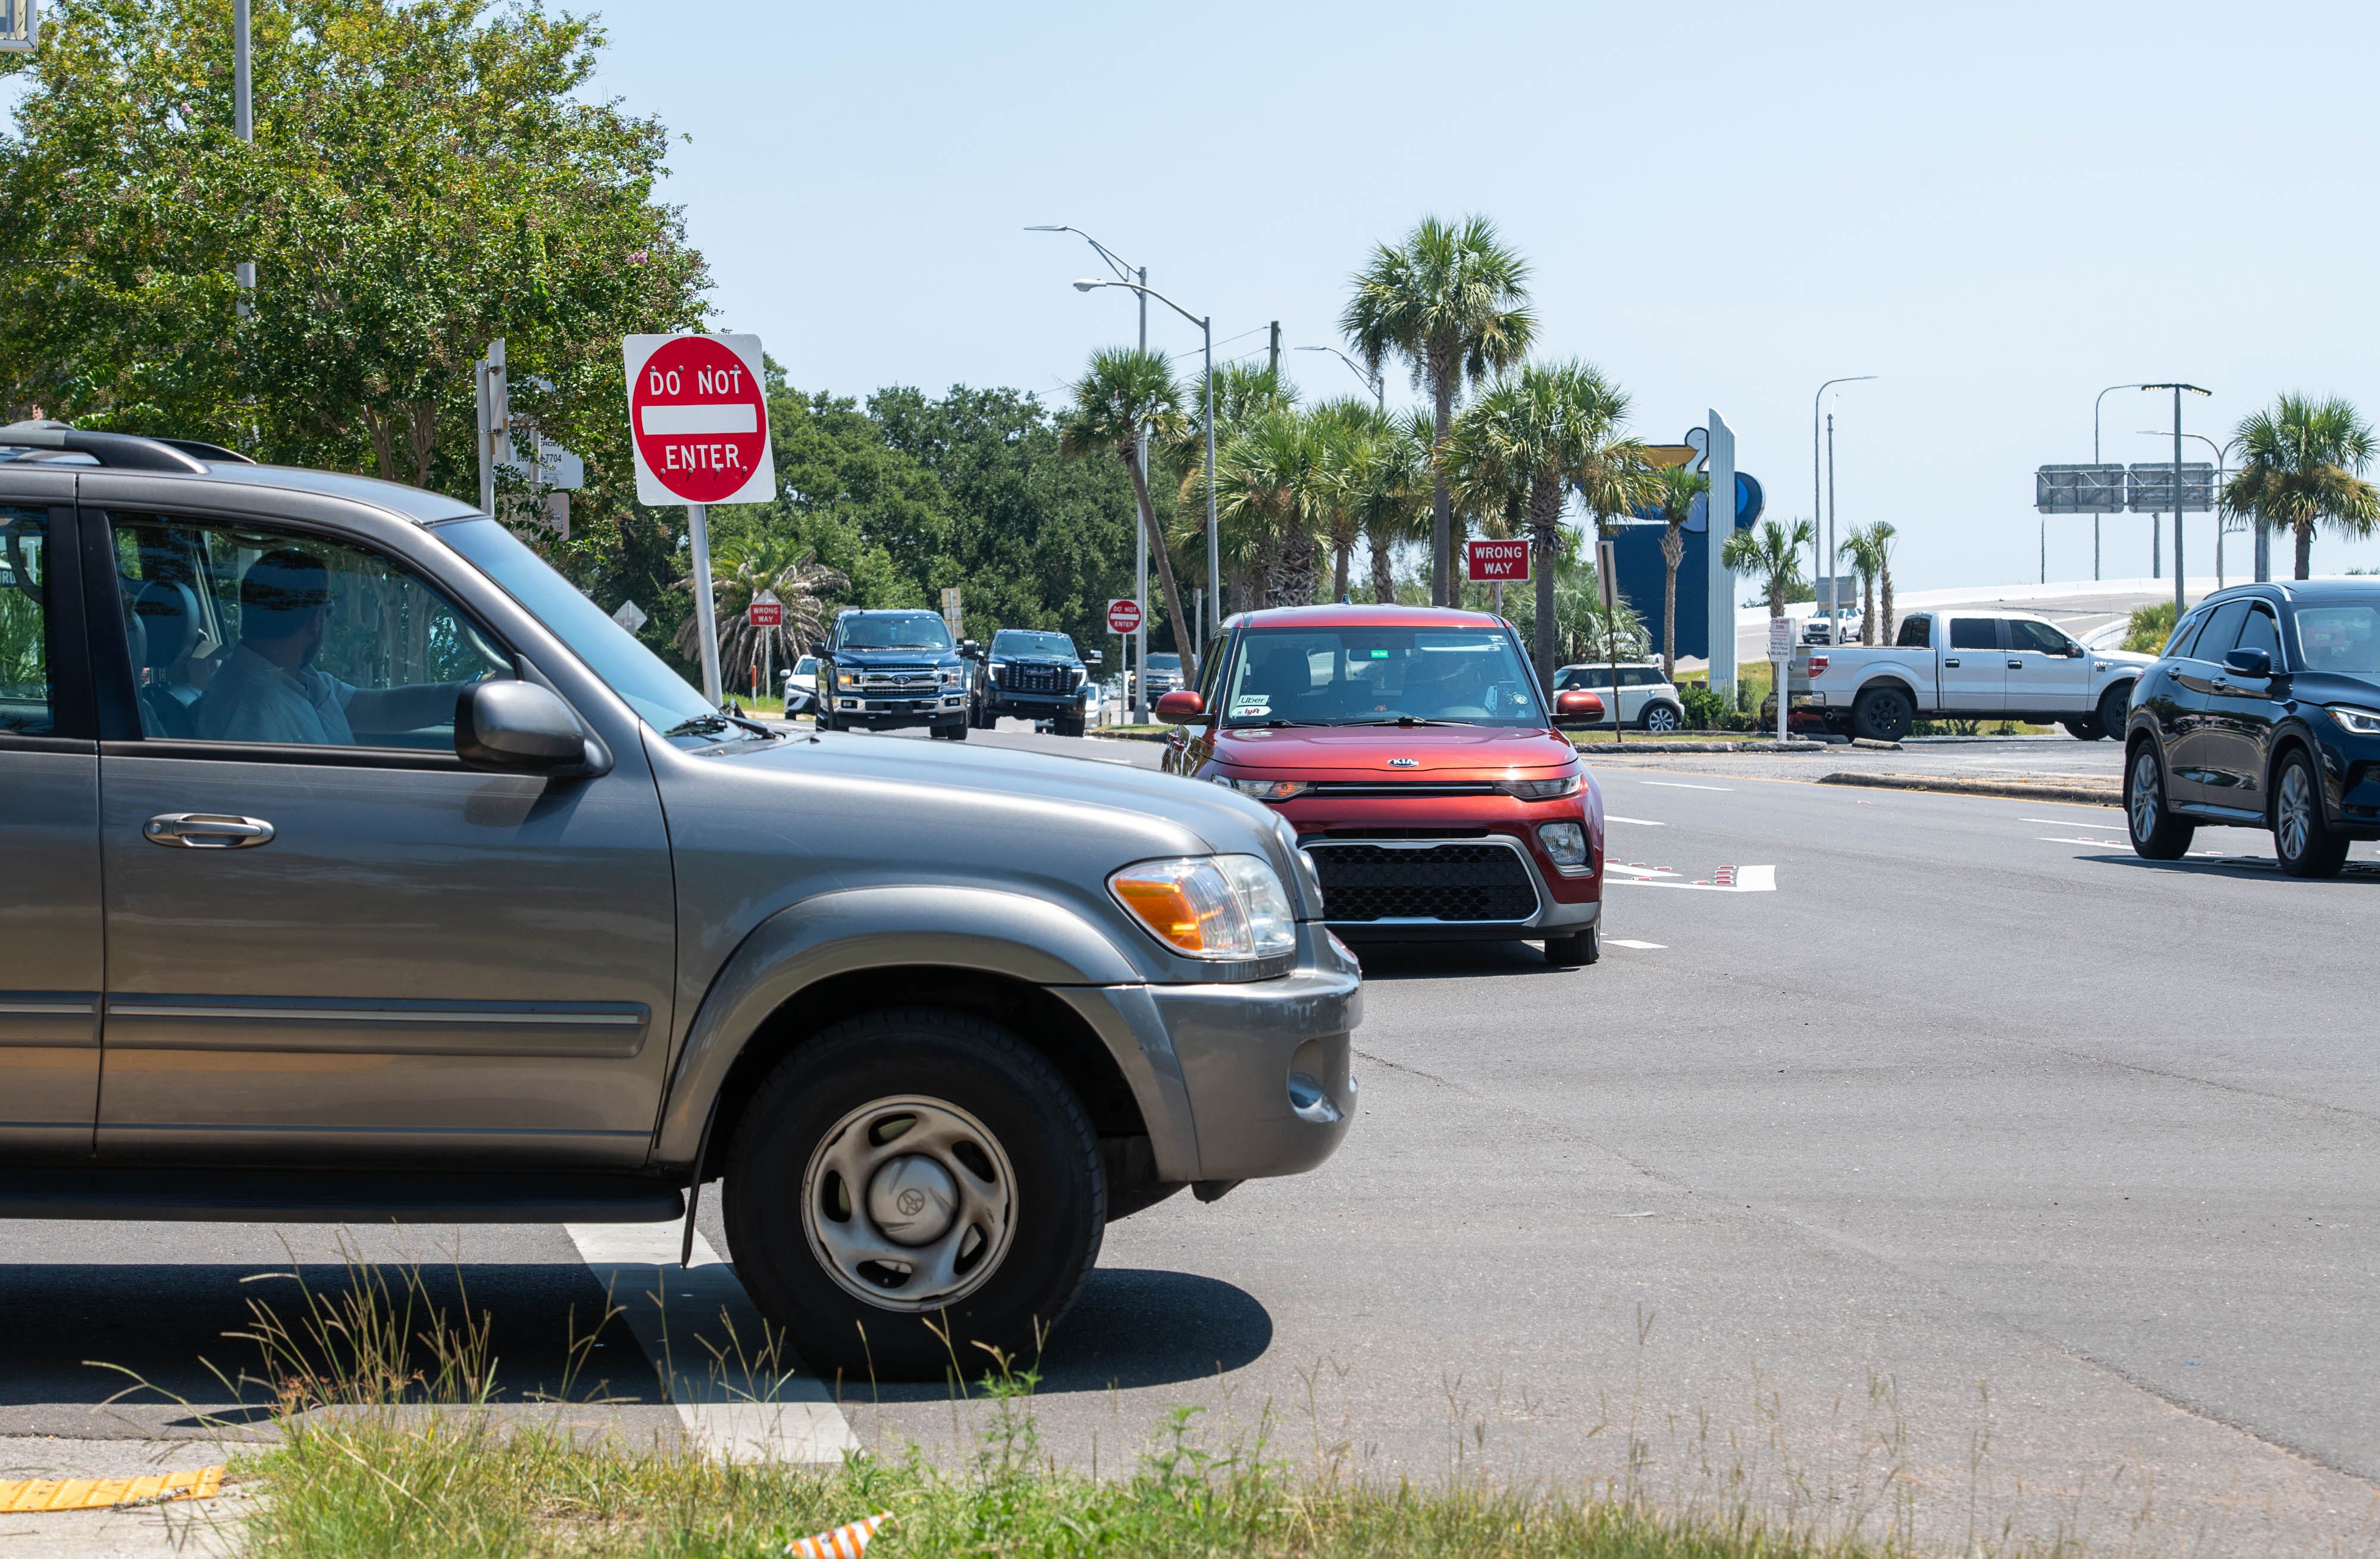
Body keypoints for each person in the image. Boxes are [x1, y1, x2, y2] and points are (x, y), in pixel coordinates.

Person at [198, 548, 476, 745]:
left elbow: (384, 708)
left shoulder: (298, 679)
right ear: (316, 620)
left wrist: (472, 692)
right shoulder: (249, 717)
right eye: (328, 610)